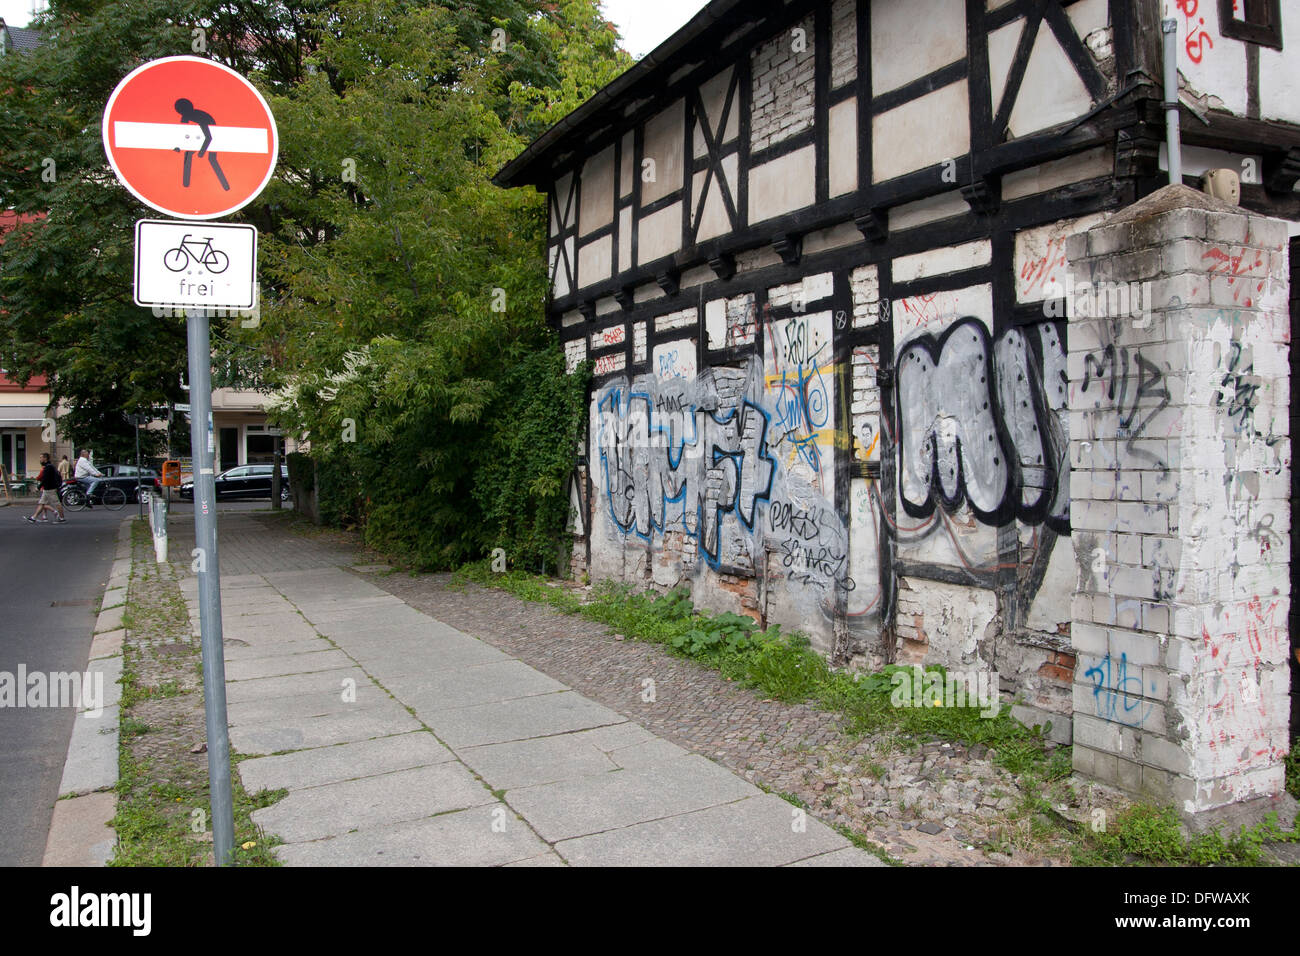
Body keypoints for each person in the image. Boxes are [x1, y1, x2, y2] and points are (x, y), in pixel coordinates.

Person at [26, 453, 66, 524]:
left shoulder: (48, 467)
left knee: (57, 503)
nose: (40, 459)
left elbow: (45, 479)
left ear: (45, 458)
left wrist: (38, 487)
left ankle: (62, 518)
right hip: (47, 488)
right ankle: (33, 517)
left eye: (41, 458)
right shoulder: (49, 466)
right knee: (42, 503)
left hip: (50, 489)